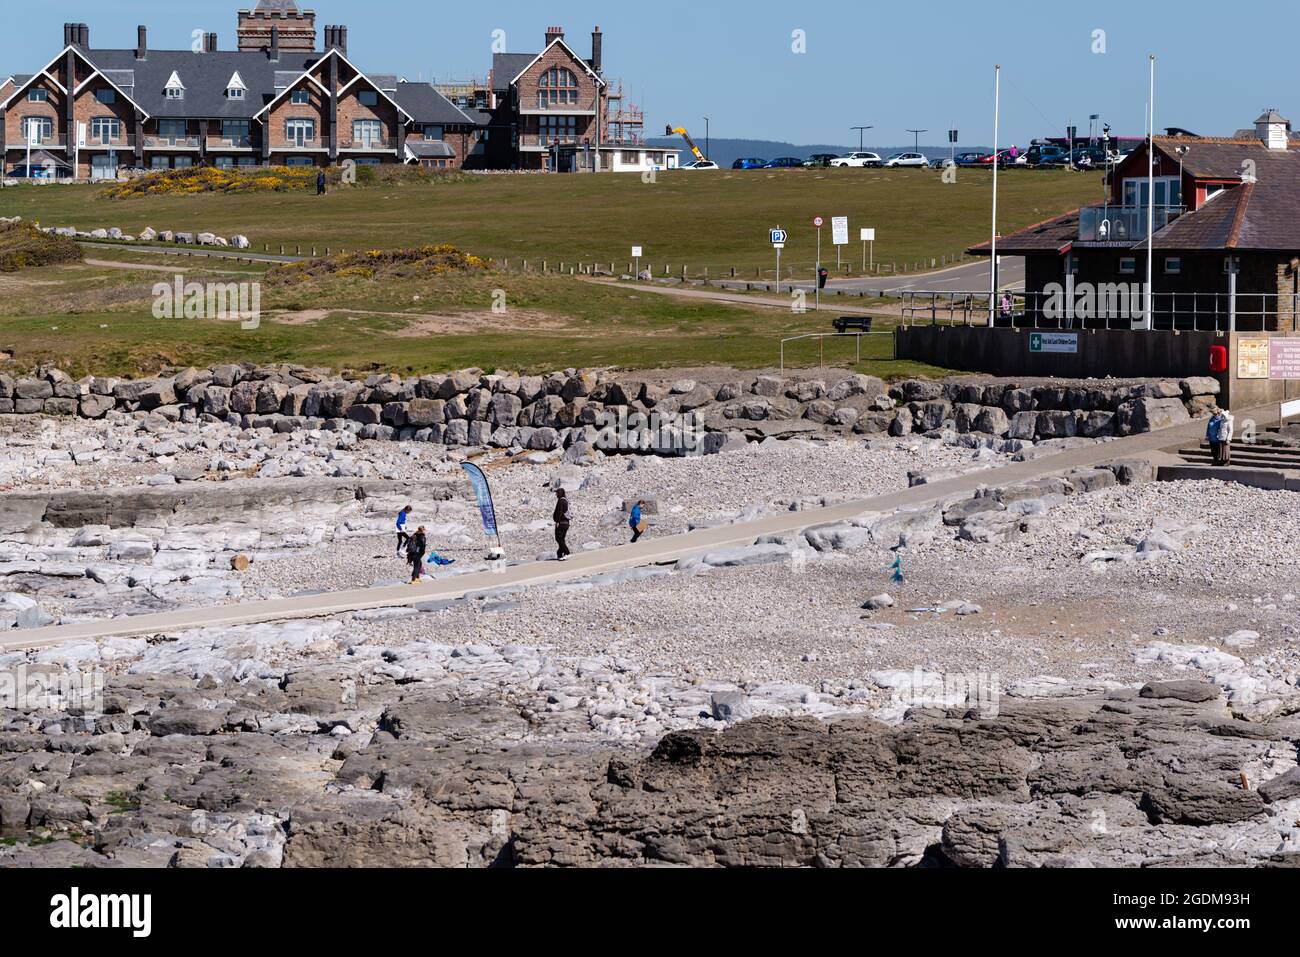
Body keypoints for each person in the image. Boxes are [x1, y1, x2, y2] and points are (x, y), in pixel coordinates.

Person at [553, 488, 572, 561]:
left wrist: (557, 521)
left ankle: (567, 553)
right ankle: (560, 553)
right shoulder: (565, 500)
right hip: (566, 523)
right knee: (561, 539)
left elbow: (559, 512)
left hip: (561, 523)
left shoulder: (561, 501)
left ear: (559, 493)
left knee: (558, 538)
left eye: (557, 493)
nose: (556, 494)